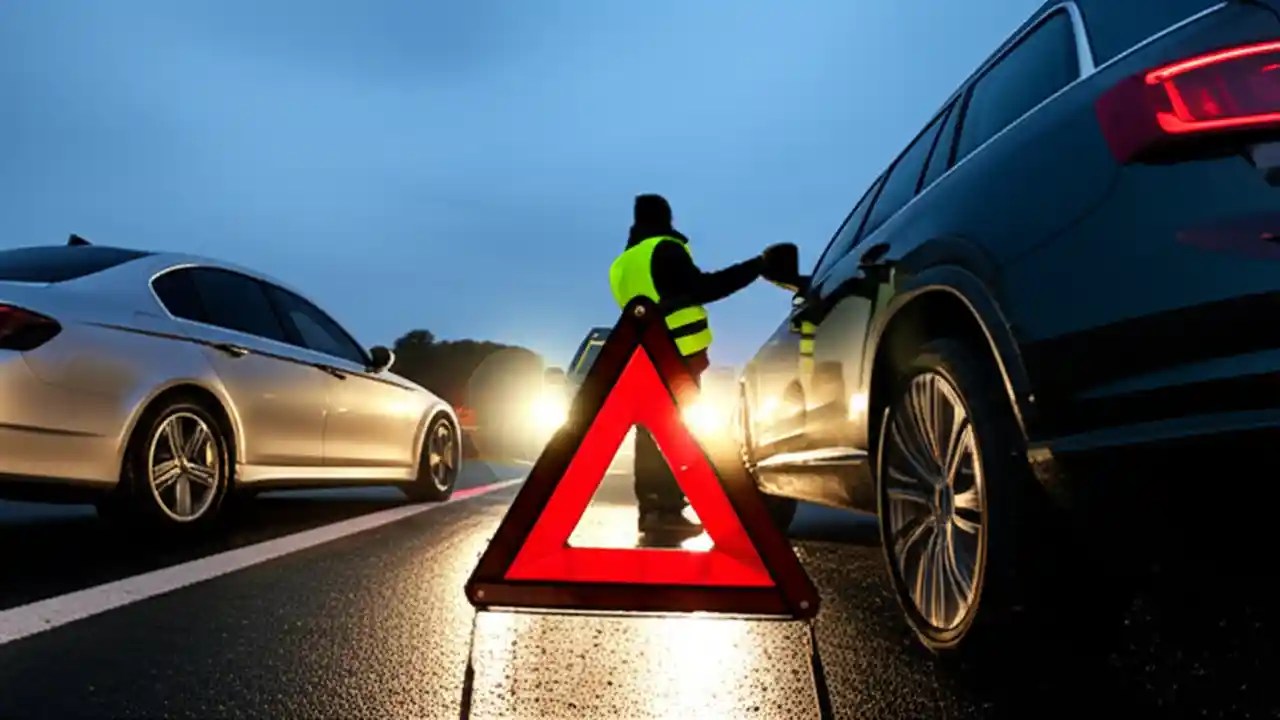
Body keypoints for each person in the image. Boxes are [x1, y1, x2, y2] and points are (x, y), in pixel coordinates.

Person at [608, 193, 786, 541]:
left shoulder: (622, 263)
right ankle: (686, 510)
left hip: (644, 357)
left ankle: (655, 511)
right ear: (665, 217)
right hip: (676, 355)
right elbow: (705, 287)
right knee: (677, 432)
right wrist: (758, 266)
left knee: (650, 435)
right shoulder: (665, 249)